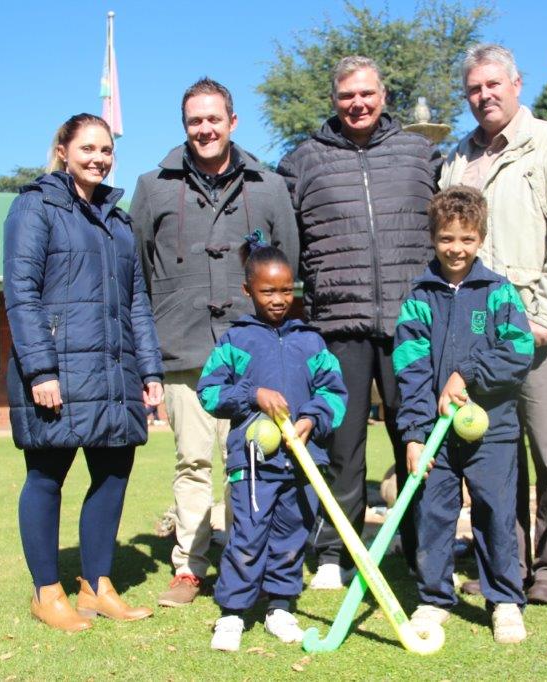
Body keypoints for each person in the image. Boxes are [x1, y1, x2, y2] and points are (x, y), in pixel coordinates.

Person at [130, 78, 300, 606]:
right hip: (182, 349)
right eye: (194, 121)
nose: (204, 129)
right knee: (193, 462)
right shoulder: (153, 186)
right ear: (185, 126)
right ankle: (189, 567)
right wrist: (146, 358)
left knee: (254, 461)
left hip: (254, 352)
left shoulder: (269, 187)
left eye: (213, 119)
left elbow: (291, 270)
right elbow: (135, 272)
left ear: (232, 122)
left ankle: (253, 562)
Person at [441, 44, 547, 605]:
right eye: (473, 89)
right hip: (484, 337)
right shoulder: (457, 160)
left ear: (516, 83)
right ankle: (504, 572)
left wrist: (545, 318)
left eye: (492, 84)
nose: (483, 95)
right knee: (497, 461)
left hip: (541, 333)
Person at [277, 56, 439, 587]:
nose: (358, 103)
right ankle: (335, 555)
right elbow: (282, 245)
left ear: (384, 95)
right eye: (347, 95)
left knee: (413, 442)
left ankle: (422, 557)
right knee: (342, 449)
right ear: (334, 100)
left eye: (367, 93)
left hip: (409, 326)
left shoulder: (420, 155)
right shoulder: (304, 161)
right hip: (337, 328)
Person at [3, 113, 164, 632]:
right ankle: (47, 592)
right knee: (47, 476)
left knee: (114, 474)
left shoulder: (120, 222)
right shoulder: (35, 207)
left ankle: (97, 587)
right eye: (89, 148)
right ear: (63, 149)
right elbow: (21, 294)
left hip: (115, 374)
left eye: (107, 150)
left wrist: (150, 369)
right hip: (57, 372)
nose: (99, 158)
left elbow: (138, 301)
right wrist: (40, 370)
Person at [394, 186, 534, 644]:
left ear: (481, 239)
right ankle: (434, 600)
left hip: (492, 430)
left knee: (495, 513)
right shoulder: (419, 296)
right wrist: (414, 434)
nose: (457, 249)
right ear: (433, 238)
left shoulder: (498, 291)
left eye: (467, 239)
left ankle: (505, 601)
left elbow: (519, 351)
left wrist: (466, 375)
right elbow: (410, 369)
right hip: (436, 435)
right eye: (447, 239)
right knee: (432, 514)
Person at [197, 236, 348, 651]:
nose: (279, 299)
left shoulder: (310, 341)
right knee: (247, 537)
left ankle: (280, 607)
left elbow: (335, 393)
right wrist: (252, 394)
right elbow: (209, 393)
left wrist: (312, 417)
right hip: (252, 464)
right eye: (268, 291)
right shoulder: (235, 341)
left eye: (285, 290)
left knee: (291, 536)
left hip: (302, 461)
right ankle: (231, 613)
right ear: (248, 291)